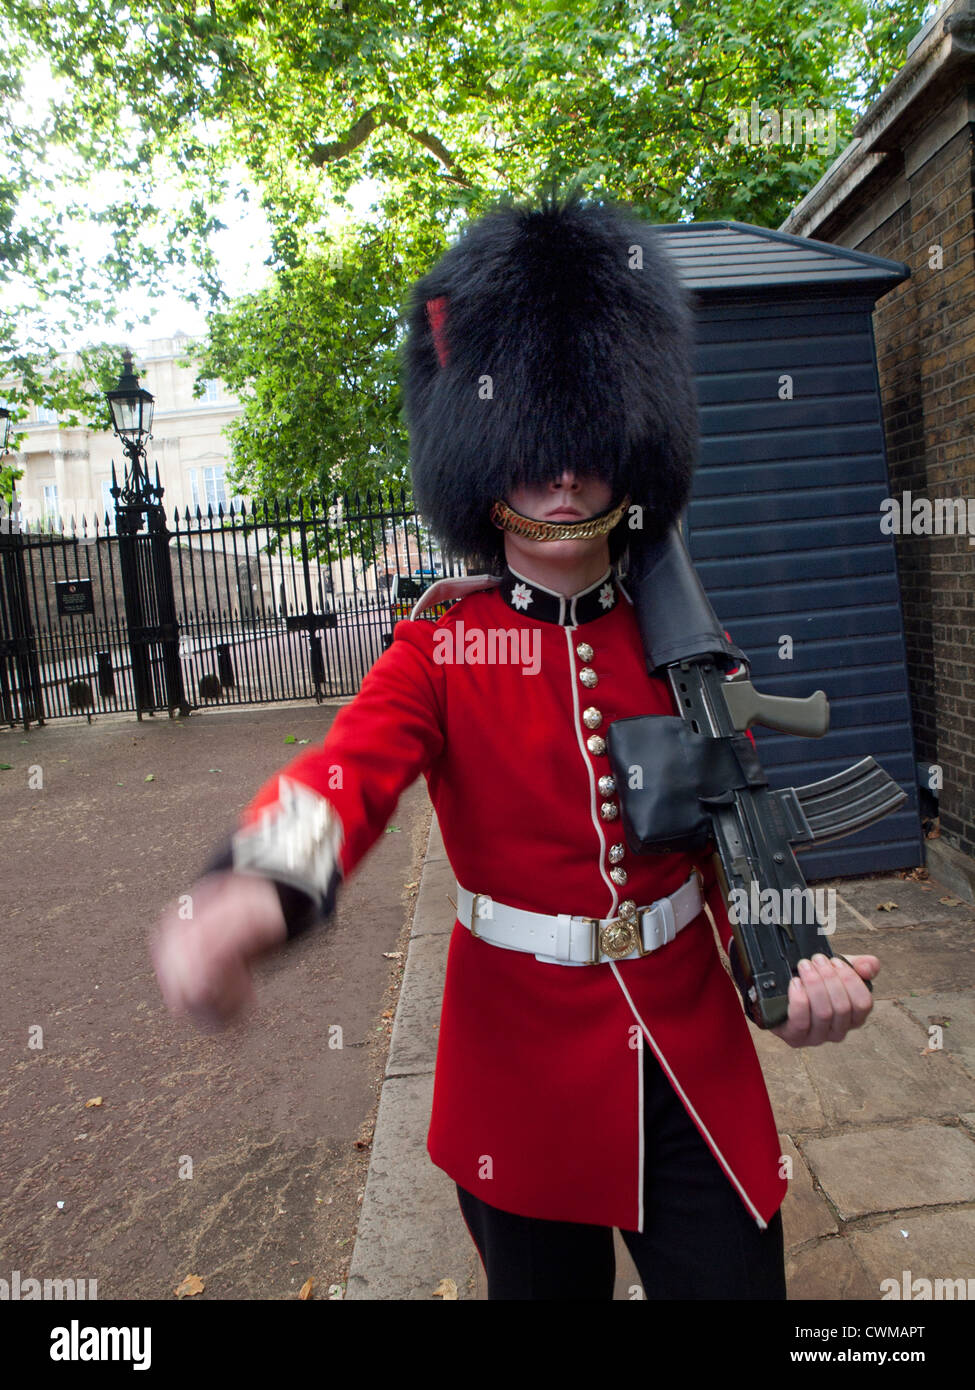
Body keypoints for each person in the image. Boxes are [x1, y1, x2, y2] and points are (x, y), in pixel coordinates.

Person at [151, 191, 879, 1300]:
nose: (563, 473)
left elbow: (732, 839)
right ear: (480, 459)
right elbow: (343, 775)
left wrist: (791, 964)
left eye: (587, 439)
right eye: (533, 444)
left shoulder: (688, 644)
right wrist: (258, 885)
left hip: (689, 1063)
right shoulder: (441, 650)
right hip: (518, 1077)